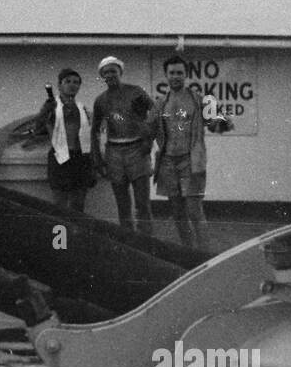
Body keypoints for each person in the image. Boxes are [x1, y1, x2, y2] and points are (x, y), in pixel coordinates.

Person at [90, 56, 156, 234]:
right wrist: (97, 158)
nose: (110, 75)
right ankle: (129, 242)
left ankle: (147, 242)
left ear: (121, 72)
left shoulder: (135, 92)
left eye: (113, 70)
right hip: (114, 154)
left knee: (142, 202)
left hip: (137, 150)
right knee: (122, 204)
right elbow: (95, 130)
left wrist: (148, 140)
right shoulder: (101, 100)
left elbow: (154, 114)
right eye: (106, 72)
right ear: (102, 76)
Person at [154, 54, 212, 252]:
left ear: (186, 74)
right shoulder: (160, 103)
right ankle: (189, 253)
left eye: (180, 72)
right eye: (172, 73)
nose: (176, 76)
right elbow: (147, 129)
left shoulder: (199, 100)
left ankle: (205, 255)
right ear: (166, 75)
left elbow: (216, 123)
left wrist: (221, 119)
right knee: (178, 213)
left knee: (195, 211)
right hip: (168, 163)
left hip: (191, 161)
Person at [38, 68, 96, 212]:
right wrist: (46, 111)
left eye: (76, 82)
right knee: (59, 205)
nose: (72, 85)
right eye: (67, 81)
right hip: (60, 159)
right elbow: (38, 128)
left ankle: (75, 234)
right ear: (59, 85)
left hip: (81, 159)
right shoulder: (52, 106)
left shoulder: (82, 108)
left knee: (78, 205)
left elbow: (90, 135)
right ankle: (60, 235)